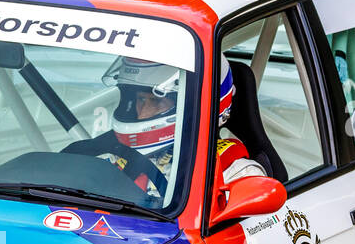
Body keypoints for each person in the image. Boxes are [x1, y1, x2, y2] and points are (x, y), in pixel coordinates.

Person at [99, 56, 265, 196]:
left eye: (156, 101)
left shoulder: (235, 174)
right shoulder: (114, 156)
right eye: (140, 100)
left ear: (194, 104)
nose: (142, 114)